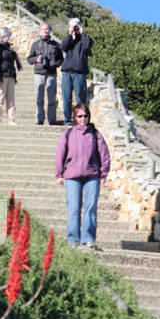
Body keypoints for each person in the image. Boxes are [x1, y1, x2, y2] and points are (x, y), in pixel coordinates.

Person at [55, 103, 111, 249]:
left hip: (92, 175)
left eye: (85, 116)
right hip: (72, 176)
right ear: (75, 117)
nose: (83, 119)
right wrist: (59, 173)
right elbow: (60, 154)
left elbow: (104, 154)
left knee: (91, 208)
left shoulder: (95, 133)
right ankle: (72, 240)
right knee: (74, 208)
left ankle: (88, 238)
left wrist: (103, 173)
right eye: (79, 116)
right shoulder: (68, 134)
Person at [27, 22, 63, 125]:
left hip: (51, 73)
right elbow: (29, 59)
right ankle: (39, 119)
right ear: (40, 31)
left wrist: (53, 63)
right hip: (39, 73)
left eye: (47, 29)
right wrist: (36, 59)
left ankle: (52, 120)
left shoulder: (56, 45)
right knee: (39, 98)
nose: (45, 31)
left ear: (50, 31)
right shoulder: (35, 44)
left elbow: (61, 60)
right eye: (43, 29)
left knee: (52, 98)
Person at [60, 18, 92, 125]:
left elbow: (87, 46)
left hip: (79, 72)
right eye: (73, 26)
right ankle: (68, 120)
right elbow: (63, 47)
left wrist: (82, 33)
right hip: (66, 73)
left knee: (80, 98)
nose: (75, 27)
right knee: (66, 98)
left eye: (77, 25)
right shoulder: (68, 39)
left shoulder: (85, 39)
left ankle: (80, 121)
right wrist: (70, 35)